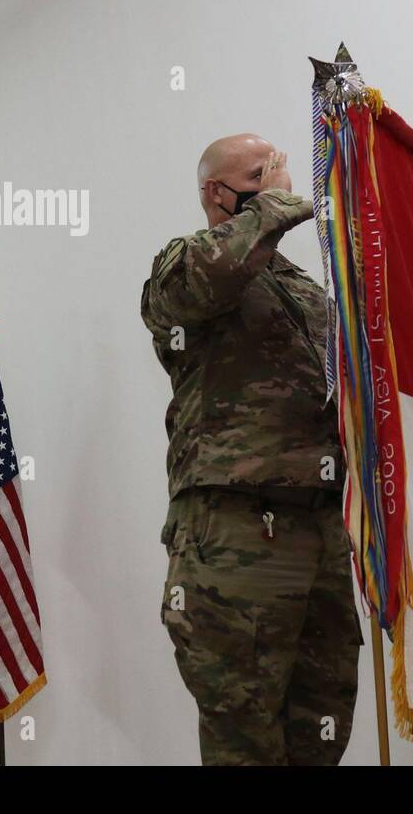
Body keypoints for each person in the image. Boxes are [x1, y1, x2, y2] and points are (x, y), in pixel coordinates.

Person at [140, 133, 361, 765]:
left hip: (319, 528)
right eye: (265, 172)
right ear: (217, 192)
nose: (283, 181)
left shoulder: (308, 289)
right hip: (235, 532)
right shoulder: (182, 265)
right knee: (245, 737)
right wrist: (276, 206)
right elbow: (205, 281)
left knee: (322, 726)